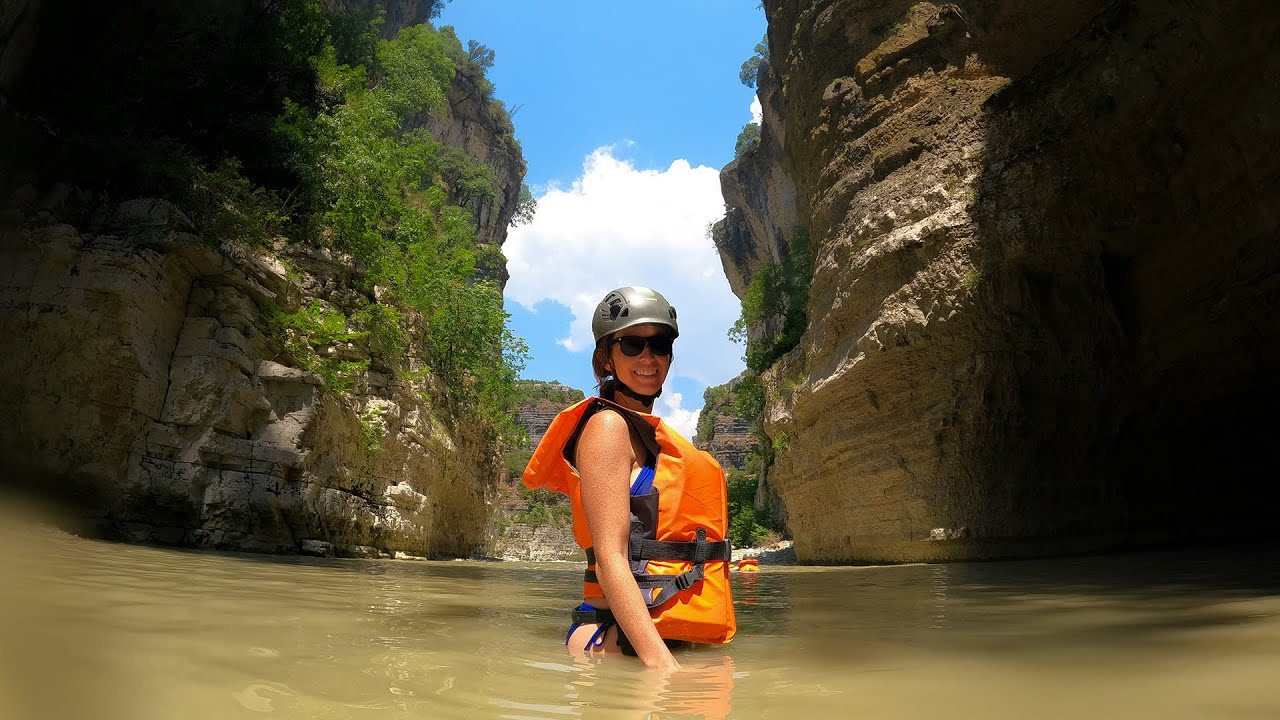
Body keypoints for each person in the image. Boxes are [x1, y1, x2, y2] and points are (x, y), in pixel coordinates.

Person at [523, 286, 736, 670]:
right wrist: (663, 670)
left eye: (660, 345)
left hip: (659, 643)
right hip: (616, 643)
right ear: (606, 359)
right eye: (633, 345)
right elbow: (610, 560)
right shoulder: (607, 427)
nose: (649, 358)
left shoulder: (650, 437)